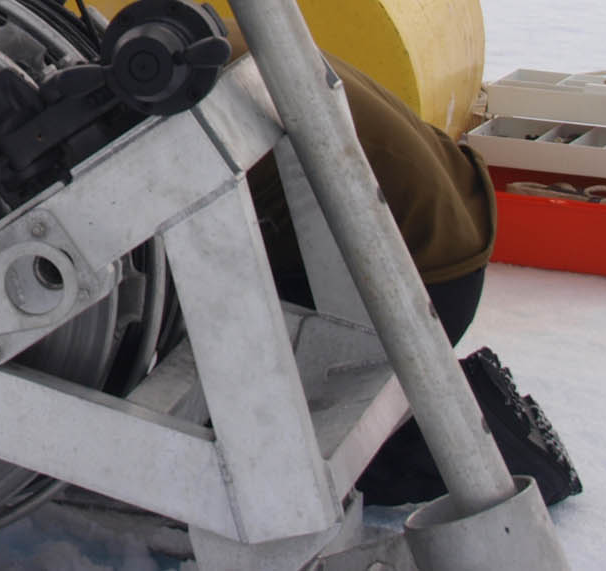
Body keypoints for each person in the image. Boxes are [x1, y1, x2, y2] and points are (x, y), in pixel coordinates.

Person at [249, 57, 581, 507]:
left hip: (414, 281)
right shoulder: (192, 30)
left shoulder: (149, 94)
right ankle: (427, 408)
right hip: (451, 222)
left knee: (257, 449)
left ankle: (470, 449)